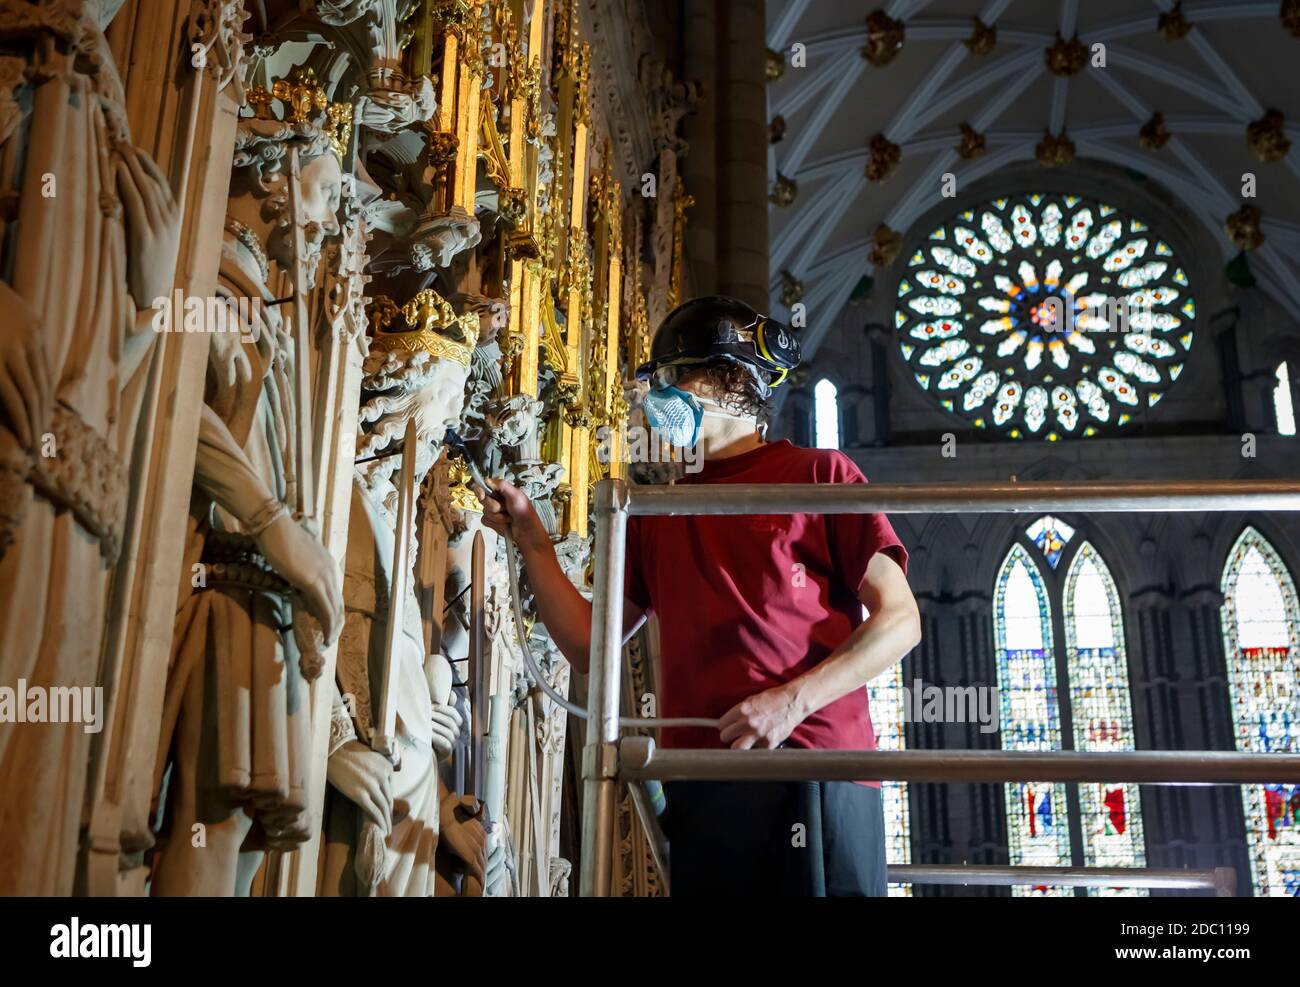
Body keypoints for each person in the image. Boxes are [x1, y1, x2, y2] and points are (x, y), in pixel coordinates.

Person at [482, 296, 922, 896]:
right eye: (661, 380)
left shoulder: (820, 475)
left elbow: (901, 621)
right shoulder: (656, 512)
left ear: (733, 380)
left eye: (677, 376)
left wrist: (792, 702)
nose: (661, 396)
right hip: (703, 779)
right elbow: (592, 648)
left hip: (813, 767)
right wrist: (533, 542)